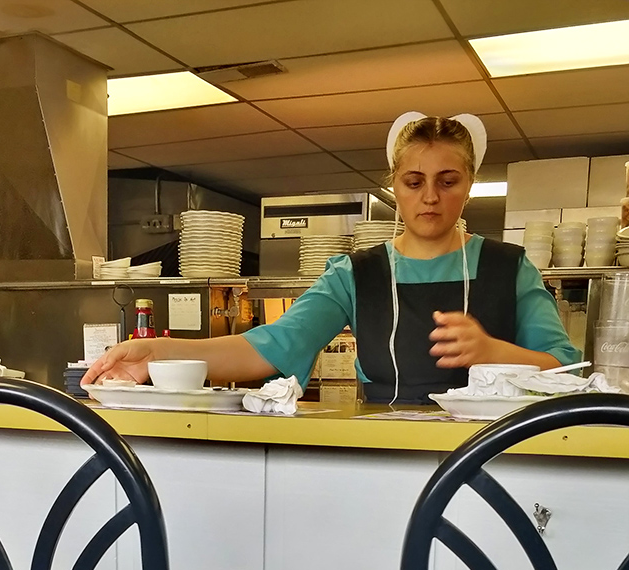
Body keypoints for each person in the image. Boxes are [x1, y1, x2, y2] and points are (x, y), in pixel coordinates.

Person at [83, 113, 580, 403]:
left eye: (447, 181)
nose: (430, 196)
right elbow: (267, 347)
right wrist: (156, 352)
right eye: (414, 182)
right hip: (386, 453)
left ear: (468, 185)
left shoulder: (510, 267)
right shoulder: (355, 275)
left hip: (494, 456)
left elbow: (566, 370)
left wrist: (492, 351)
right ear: (395, 186)